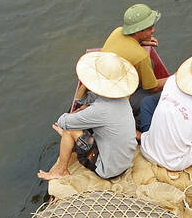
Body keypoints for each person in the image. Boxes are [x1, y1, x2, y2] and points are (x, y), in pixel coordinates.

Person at [38, 52, 138, 181]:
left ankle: (61, 170)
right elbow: (81, 99)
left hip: (107, 169)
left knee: (69, 130)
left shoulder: (100, 110)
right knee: (78, 122)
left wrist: (78, 113)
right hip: (124, 162)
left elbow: (62, 121)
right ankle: (70, 139)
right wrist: (85, 94)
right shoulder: (121, 99)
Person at [101, 4, 167, 123]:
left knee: (149, 64)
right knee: (159, 96)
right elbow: (153, 87)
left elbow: (126, 48)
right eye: (149, 27)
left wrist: (142, 41)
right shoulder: (140, 56)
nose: (153, 30)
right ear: (138, 31)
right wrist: (177, 77)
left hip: (103, 84)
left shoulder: (117, 31)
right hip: (117, 101)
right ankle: (135, 121)